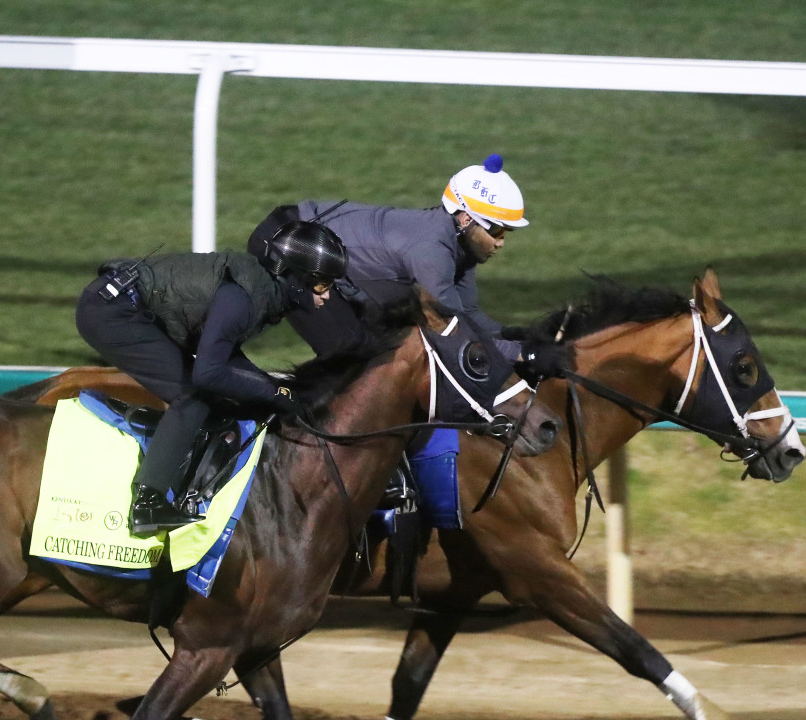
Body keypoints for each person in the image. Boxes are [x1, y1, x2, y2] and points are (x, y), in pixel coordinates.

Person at [75, 221, 349, 536]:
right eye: (322, 285)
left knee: (225, 392)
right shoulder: (246, 298)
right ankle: (147, 504)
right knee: (193, 397)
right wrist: (274, 392)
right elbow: (208, 373)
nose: (327, 296)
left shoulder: (261, 289)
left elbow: (224, 356)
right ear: (297, 278)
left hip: (125, 304)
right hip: (112, 312)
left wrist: (277, 392)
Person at [247, 154, 528, 358]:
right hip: (287, 243)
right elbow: (455, 333)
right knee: (353, 362)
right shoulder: (430, 251)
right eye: (498, 231)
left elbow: (470, 315)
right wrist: (525, 356)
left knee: (379, 355)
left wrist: (521, 338)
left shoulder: (460, 246)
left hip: (315, 244)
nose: (500, 243)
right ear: (467, 219)